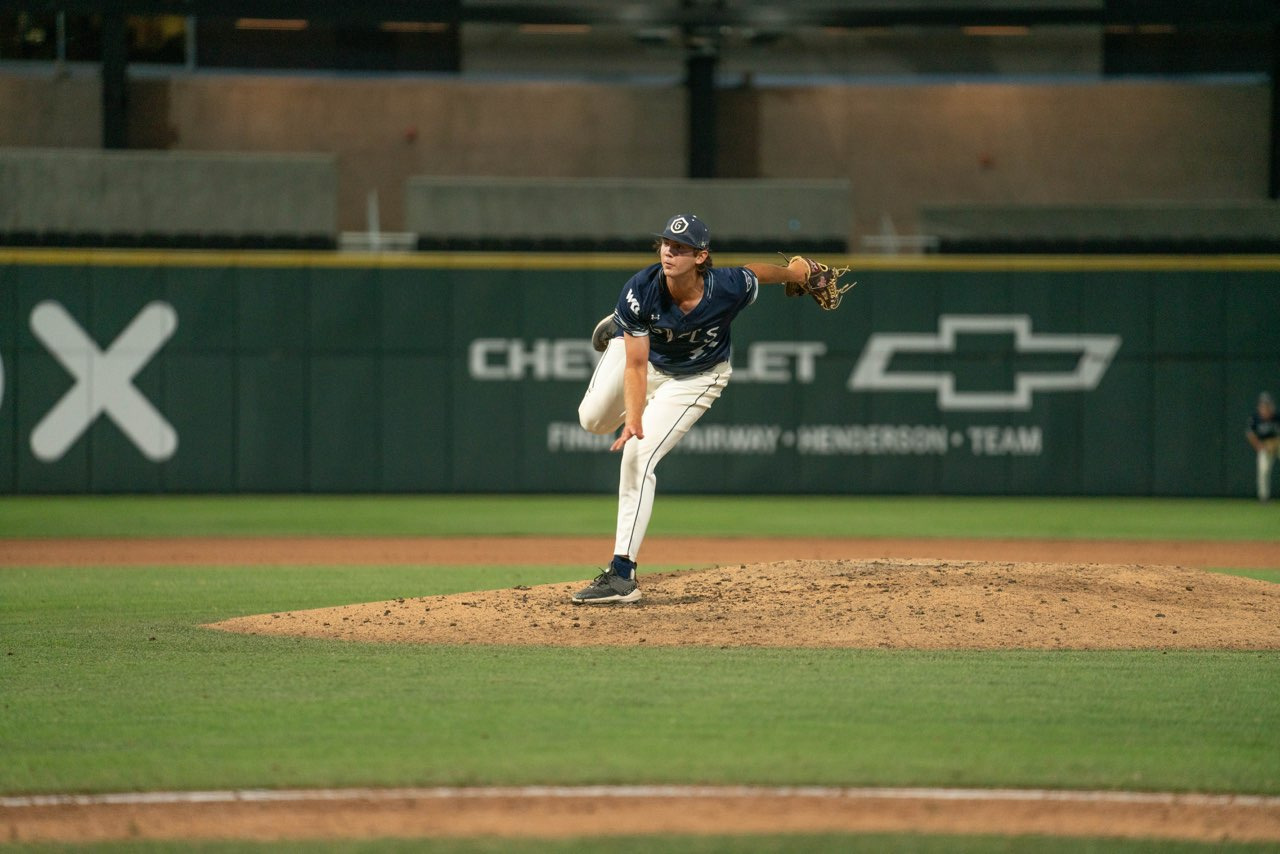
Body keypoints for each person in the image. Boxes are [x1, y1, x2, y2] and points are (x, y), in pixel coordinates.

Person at [571, 213, 832, 604]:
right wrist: (635, 415)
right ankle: (625, 326)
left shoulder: (725, 286)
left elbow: (755, 273)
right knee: (591, 421)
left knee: (638, 456)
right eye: (665, 244)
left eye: (680, 248)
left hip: (696, 376)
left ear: (700, 256)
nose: (669, 252)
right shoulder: (641, 288)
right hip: (645, 357)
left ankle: (622, 576)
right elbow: (637, 367)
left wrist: (796, 272)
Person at [1248, 391, 1280, 501]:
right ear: (1259, 406)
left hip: (1278, 444)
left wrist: (1275, 443)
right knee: (1263, 470)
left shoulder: (1276, 417)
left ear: (1271, 406)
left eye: (1267, 405)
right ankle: (1263, 497)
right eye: (1263, 405)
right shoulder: (1255, 418)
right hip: (1265, 446)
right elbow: (1250, 434)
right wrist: (1259, 446)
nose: (1265, 407)